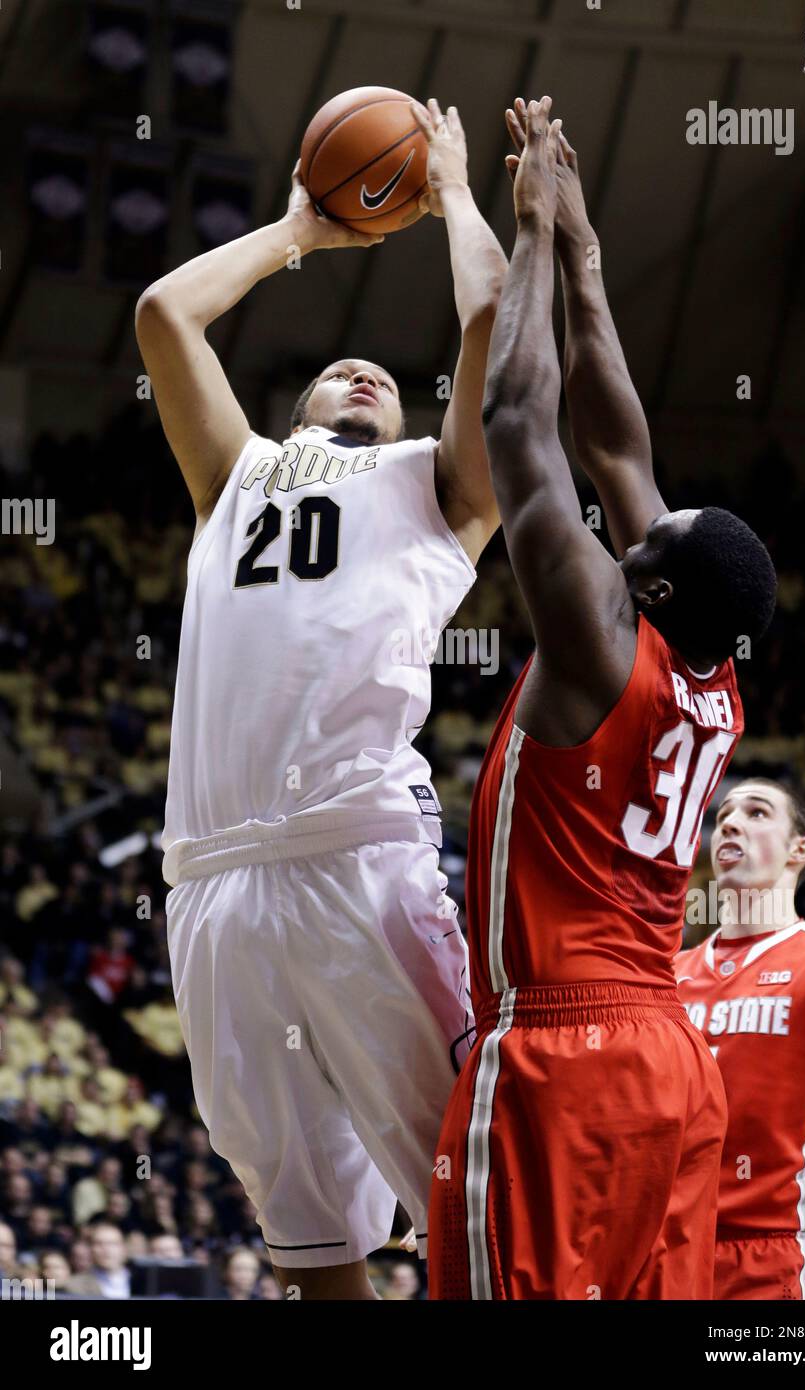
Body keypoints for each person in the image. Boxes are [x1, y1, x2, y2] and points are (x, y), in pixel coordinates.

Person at [135, 99, 505, 1300]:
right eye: (341, 367)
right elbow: (164, 314)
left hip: (358, 859)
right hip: (210, 881)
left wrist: (451, 192)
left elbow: (496, 328)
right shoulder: (233, 475)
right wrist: (300, 230)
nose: (361, 369)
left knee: (480, 1195)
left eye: (386, 378)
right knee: (314, 1258)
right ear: (295, 409)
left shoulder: (436, 488)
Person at [428, 98, 777, 1300]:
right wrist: (586, 257)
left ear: (655, 581)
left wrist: (529, 229)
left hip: (558, 1049)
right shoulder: (710, 673)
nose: (637, 518)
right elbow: (620, 455)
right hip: (668, 1062)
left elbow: (523, 421)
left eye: (649, 538)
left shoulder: (594, 647)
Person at [676, 778, 805, 1299]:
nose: (729, 822)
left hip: (760, 1255)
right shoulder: (666, 973)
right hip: (657, 1246)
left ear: (800, 849)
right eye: (724, 813)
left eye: (756, 812)